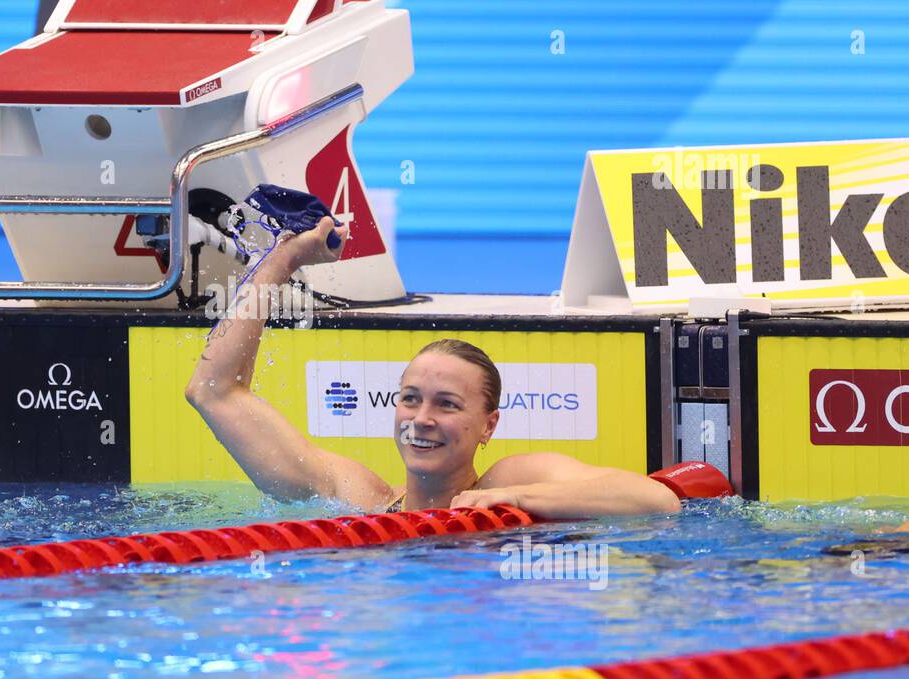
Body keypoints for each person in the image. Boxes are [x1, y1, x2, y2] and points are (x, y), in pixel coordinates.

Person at [185, 216, 681, 518]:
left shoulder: (506, 483)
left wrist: (521, 501)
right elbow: (214, 392)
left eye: (447, 404)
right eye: (411, 398)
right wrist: (282, 262)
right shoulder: (356, 498)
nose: (421, 418)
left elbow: (657, 501)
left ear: (489, 425)